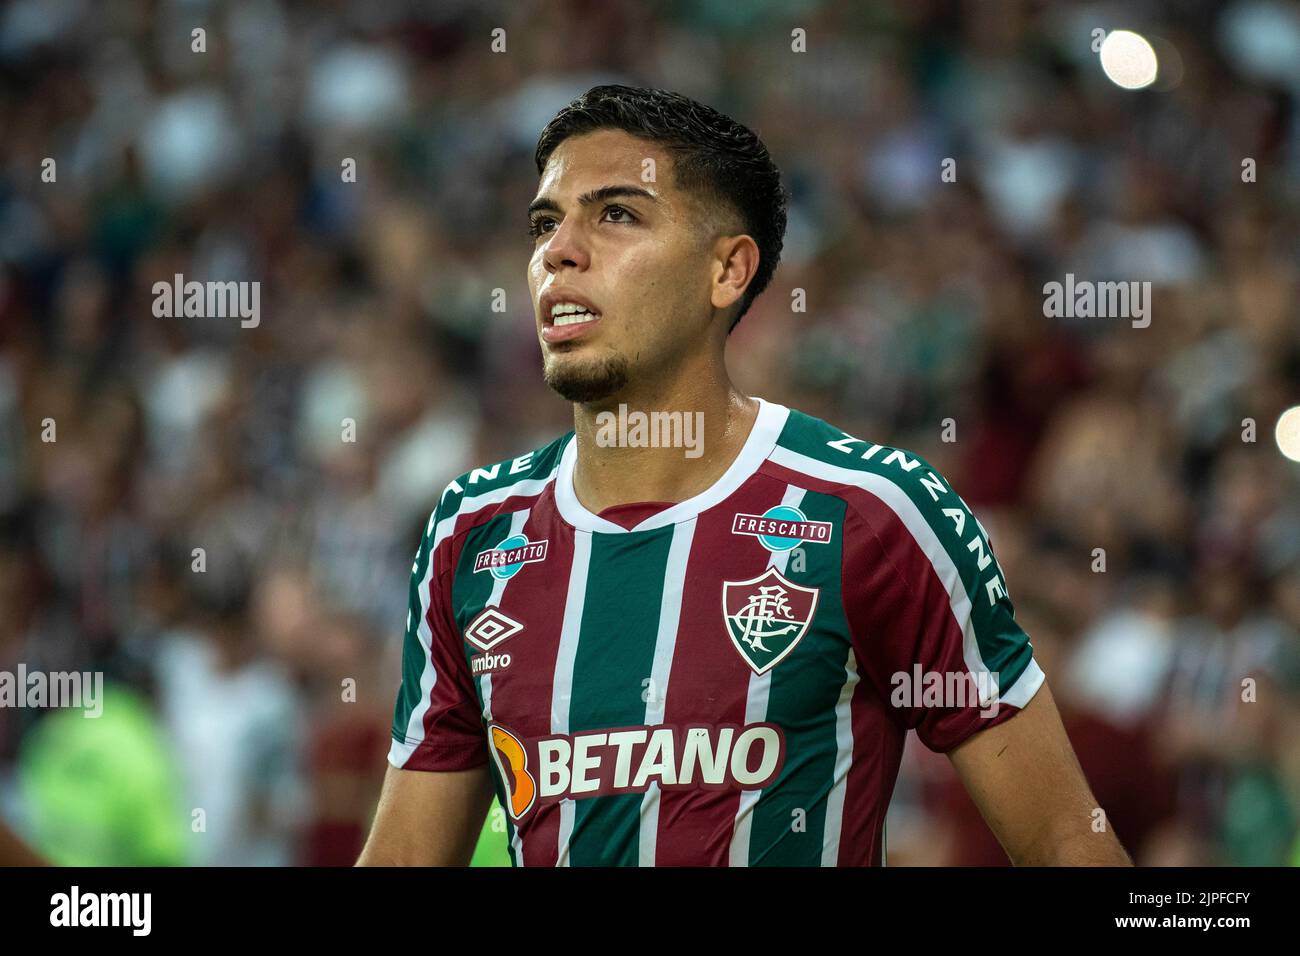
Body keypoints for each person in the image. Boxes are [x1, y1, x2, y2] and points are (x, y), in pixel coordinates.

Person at [358, 85, 1130, 866]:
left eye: (617, 214)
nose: (559, 250)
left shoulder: (873, 513)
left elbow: (1066, 840)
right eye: (544, 222)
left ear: (729, 270)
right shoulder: (472, 532)